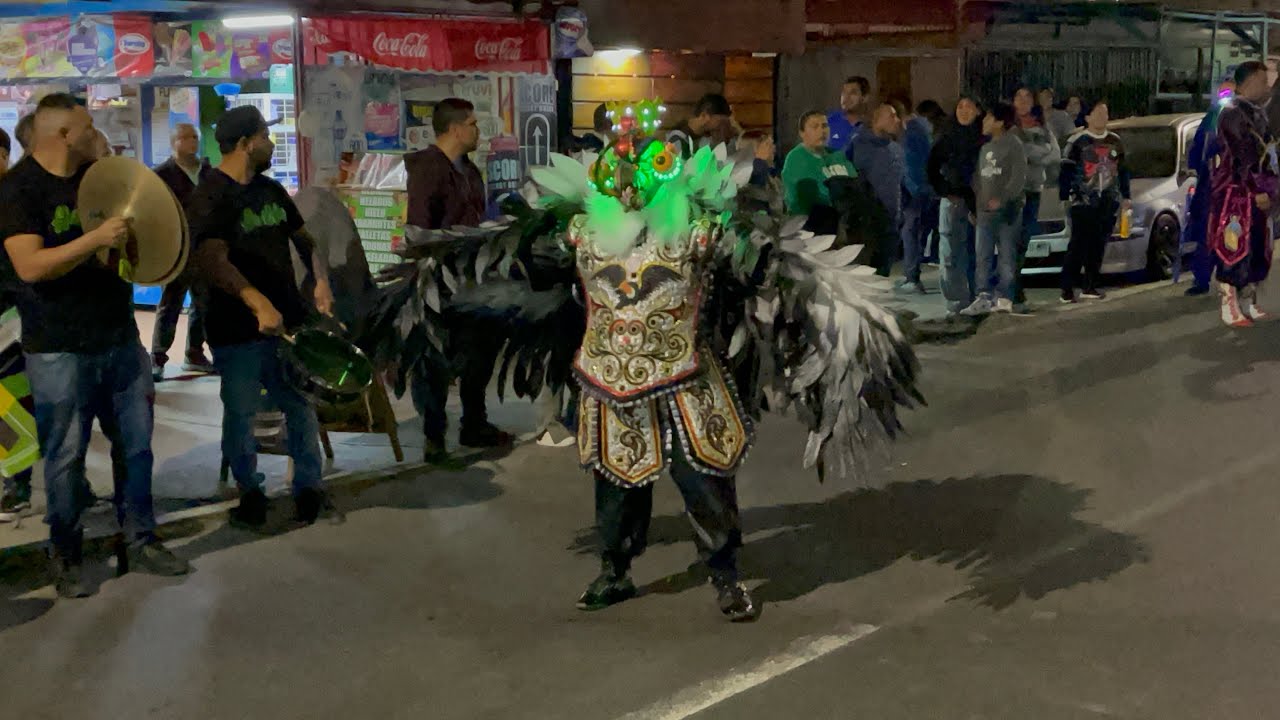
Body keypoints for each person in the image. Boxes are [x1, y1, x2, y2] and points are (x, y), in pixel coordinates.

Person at [0, 93, 189, 597]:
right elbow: (30, 267)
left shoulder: (97, 177)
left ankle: (142, 539)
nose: (94, 131)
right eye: (87, 126)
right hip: (59, 347)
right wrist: (96, 238)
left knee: (137, 447)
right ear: (62, 134)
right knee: (65, 457)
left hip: (119, 339)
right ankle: (66, 556)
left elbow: (131, 244)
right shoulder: (19, 191)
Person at [188, 105, 340, 528]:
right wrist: (256, 302)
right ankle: (250, 492)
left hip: (289, 322)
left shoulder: (270, 191)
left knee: (300, 405)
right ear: (245, 143)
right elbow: (212, 260)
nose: (271, 144)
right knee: (241, 412)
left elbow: (306, 242)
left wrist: (321, 281)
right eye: (265, 137)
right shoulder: (210, 195)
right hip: (237, 330)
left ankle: (308, 486)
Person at [404, 98, 512, 459]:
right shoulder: (428, 169)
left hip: (472, 277)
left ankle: (474, 423)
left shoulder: (470, 171)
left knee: (480, 349)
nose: (478, 131)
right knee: (433, 357)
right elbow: (418, 230)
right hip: (437, 278)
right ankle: (434, 434)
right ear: (454, 129)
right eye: (473, 123)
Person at [1208, 60, 1277, 326]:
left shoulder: (1257, 112)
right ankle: (1229, 305)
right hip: (1237, 194)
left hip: (1260, 191)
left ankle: (1249, 301)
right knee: (1235, 247)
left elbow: (1267, 152)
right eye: (1263, 80)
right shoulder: (1233, 113)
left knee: (1259, 247)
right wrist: (1255, 188)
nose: (1267, 85)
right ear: (1250, 83)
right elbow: (1241, 155)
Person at [150, 123, 216, 381]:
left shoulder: (209, 172)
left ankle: (195, 353)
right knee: (170, 303)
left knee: (204, 303)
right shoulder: (160, 175)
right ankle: (157, 357)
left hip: (205, 248)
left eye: (195, 137)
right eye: (184, 137)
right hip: (176, 250)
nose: (191, 142)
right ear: (173, 142)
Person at [1059, 100, 1131, 303]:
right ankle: (1067, 288)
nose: (1102, 117)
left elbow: (1123, 170)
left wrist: (1126, 196)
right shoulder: (1078, 141)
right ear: (1088, 117)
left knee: (1098, 245)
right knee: (1078, 245)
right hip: (1082, 201)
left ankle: (1090, 285)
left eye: (1105, 113)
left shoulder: (1115, 140)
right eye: (1098, 113)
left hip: (1108, 200)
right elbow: (1066, 170)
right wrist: (1064, 196)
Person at [963, 102, 1026, 316]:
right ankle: (983, 296)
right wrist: (976, 206)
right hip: (984, 213)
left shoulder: (1014, 144)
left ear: (1000, 122)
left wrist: (1004, 199)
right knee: (983, 255)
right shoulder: (985, 148)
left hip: (1007, 212)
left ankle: (1005, 297)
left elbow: (1018, 177)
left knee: (1007, 255)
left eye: (989, 118)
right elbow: (979, 179)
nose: (984, 122)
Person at [927, 96, 985, 315]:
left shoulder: (983, 138)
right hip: (953, 201)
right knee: (951, 253)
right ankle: (956, 302)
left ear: (978, 111)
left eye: (969, 106)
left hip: (978, 202)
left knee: (977, 252)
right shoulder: (947, 137)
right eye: (960, 106)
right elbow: (932, 168)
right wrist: (945, 190)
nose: (964, 110)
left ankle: (978, 298)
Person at [1183, 77, 1236, 296]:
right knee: (1207, 231)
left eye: (1229, 94)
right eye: (1222, 94)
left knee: (1232, 232)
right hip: (1211, 185)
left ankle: (1232, 278)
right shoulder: (1211, 119)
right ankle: (1202, 278)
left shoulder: (1241, 118)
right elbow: (1198, 149)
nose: (1225, 99)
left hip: (1233, 187)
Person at [1011, 87, 1058, 306]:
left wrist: (1028, 151)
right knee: (1009, 241)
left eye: (1027, 96)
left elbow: (1054, 155)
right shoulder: (1009, 125)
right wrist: (1037, 151)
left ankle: (1016, 286)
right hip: (1012, 190)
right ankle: (1009, 288)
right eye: (1018, 97)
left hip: (1034, 190)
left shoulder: (1042, 126)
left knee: (1024, 241)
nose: (1023, 101)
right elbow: (1012, 153)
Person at [848, 103, 905, 275]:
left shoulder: (896, 149)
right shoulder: (858, 145)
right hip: (866, 225)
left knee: (883, 277)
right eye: (892, 116)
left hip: (891, 224)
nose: (897, 121)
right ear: (877, 120)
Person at [898, 100, 945, 293]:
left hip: (918, 190)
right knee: (923, 233)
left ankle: (912, 278)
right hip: (931, 189)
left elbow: (910, 164)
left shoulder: (911, 131)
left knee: (911, 232)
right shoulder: (931, 130)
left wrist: (914, 188)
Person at [781, 111, 856, 218]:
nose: (822, 131)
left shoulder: (838, 155)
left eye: (824, 126)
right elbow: (811, 197)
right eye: (815, 126)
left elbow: (855, 184)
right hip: (811, 221)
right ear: (802, 133)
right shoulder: (796, 158)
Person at [666, 93, 733, 159]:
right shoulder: (677, 139)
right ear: (704, 116)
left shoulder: (707, 135)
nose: (722, 125)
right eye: (720, 121)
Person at [827, 76, 870, 152]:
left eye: (853, 93)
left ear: (864, 98)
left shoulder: (870, 128)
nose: (846, 97)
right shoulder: (829, 122)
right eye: (844, 92)